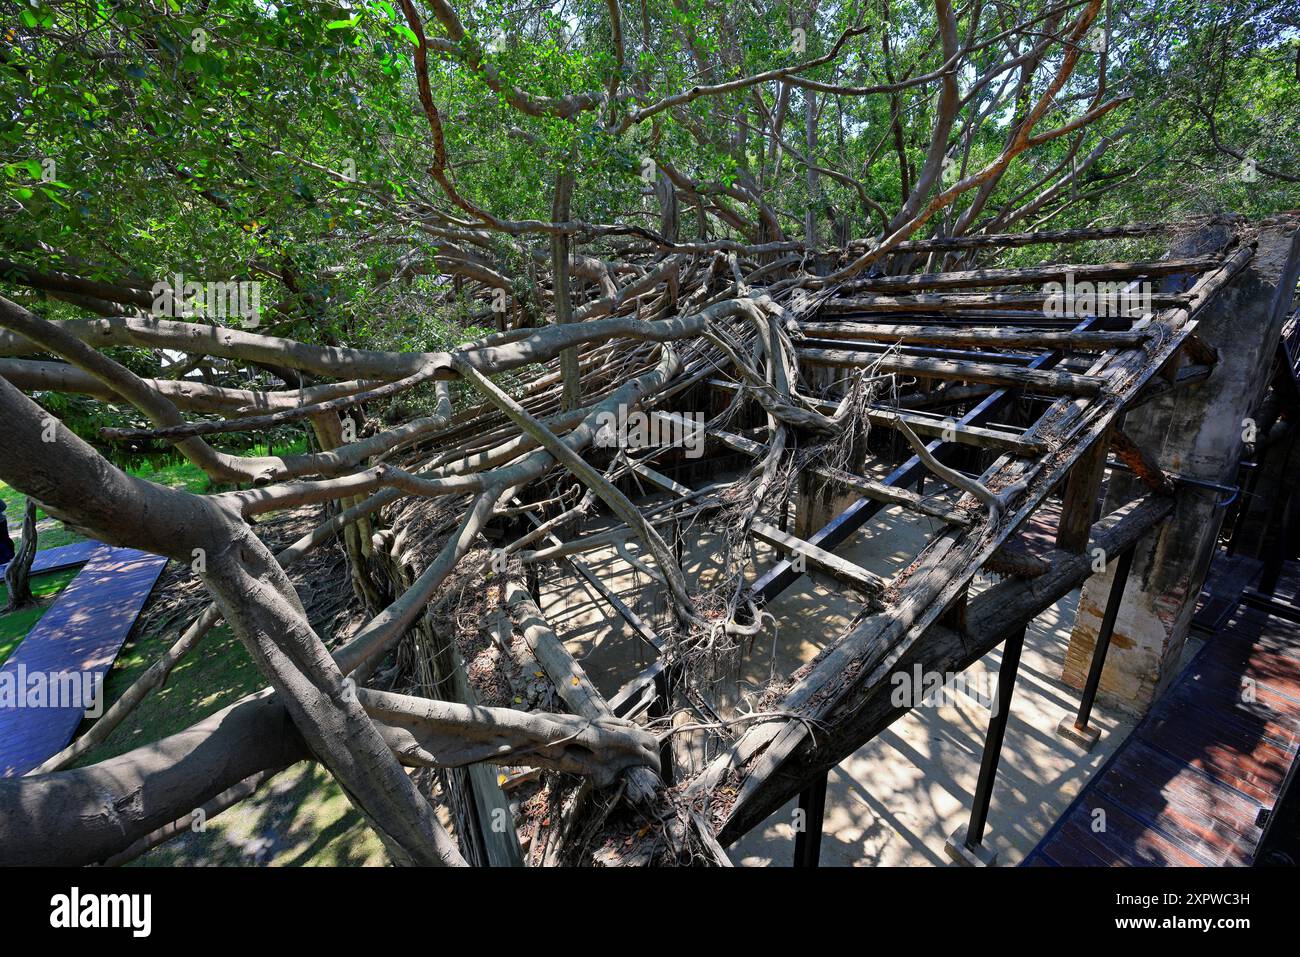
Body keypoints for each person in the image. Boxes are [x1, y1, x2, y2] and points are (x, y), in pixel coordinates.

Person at [0, 499, 16, 567]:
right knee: (5, 539)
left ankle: (5, 560)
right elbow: (4, 506)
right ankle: (11, 556)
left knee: (2, 541)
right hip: (2, 521)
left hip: (1, 521)